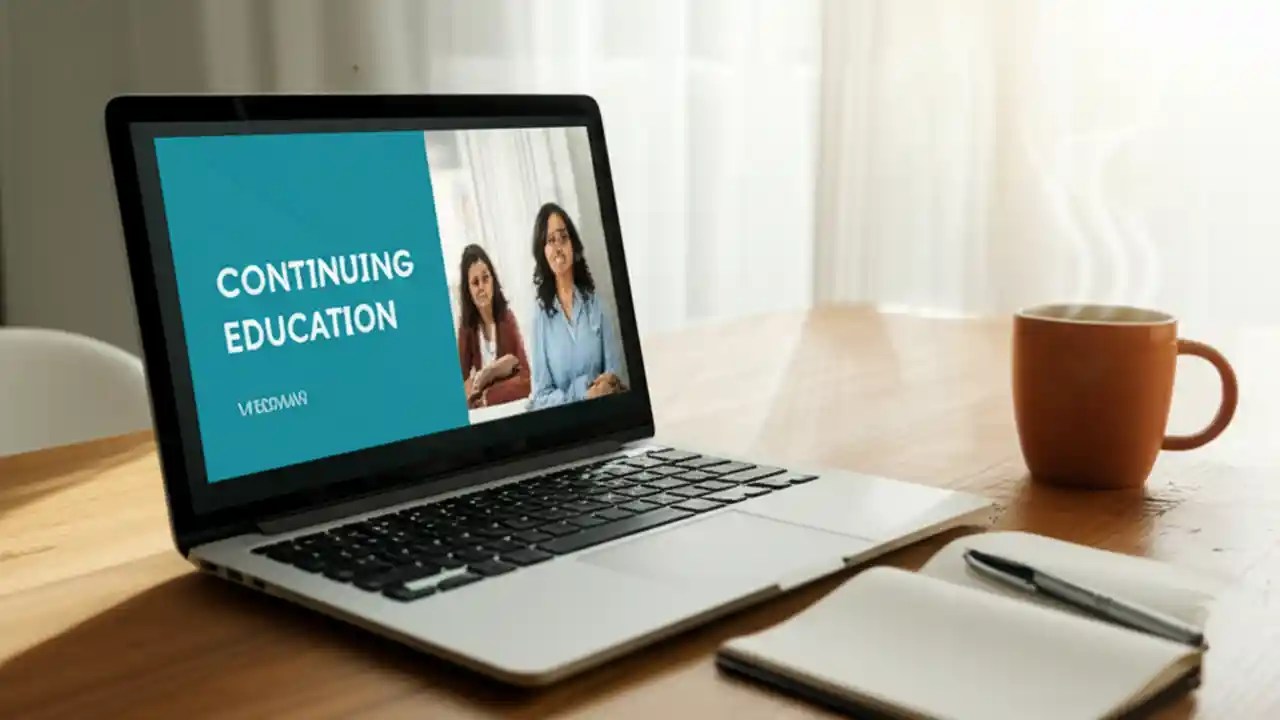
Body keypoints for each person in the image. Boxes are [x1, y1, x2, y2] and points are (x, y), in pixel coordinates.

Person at [528, 202, 624, 409]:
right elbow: (541, 396)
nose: (558, 247)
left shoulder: (597, 306)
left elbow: (614, 378)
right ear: (543, 252)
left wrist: (605, 387)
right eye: (550, 240)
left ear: (574, 246)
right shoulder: (540, 317)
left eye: (563, 237)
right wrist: (583, 393)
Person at [455, 244, 530, 409]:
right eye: (475, 283)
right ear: (468, 291)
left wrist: (490, 375)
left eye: (486, 278)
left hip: (509, 406)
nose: (482, 287)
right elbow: (460, 386)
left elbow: (526, 379)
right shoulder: (467, 328)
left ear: (493, 280)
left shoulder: (507, 318)